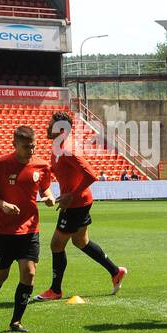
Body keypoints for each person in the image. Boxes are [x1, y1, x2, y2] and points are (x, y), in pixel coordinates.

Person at [35, 112, 127, 302]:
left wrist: (70, 195)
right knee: (80, 242)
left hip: (76, 204)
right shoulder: (58, 148)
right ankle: (115, 271)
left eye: (50, 124)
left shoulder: (68, 149)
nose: (46, 126)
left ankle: (55, 290)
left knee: (56, 244)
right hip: (80, 202)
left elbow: (91, 175)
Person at [0, 126, 55, 332]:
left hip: (29, 228)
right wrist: (2, 204)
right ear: (14, 145)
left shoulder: (42, 165)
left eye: (33, 146)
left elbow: (45, 186)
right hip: (1, 230)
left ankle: (16, 321)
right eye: (26, 147)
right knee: (0, 276)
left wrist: (49, 196)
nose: (31, 150)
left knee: (29, 274)